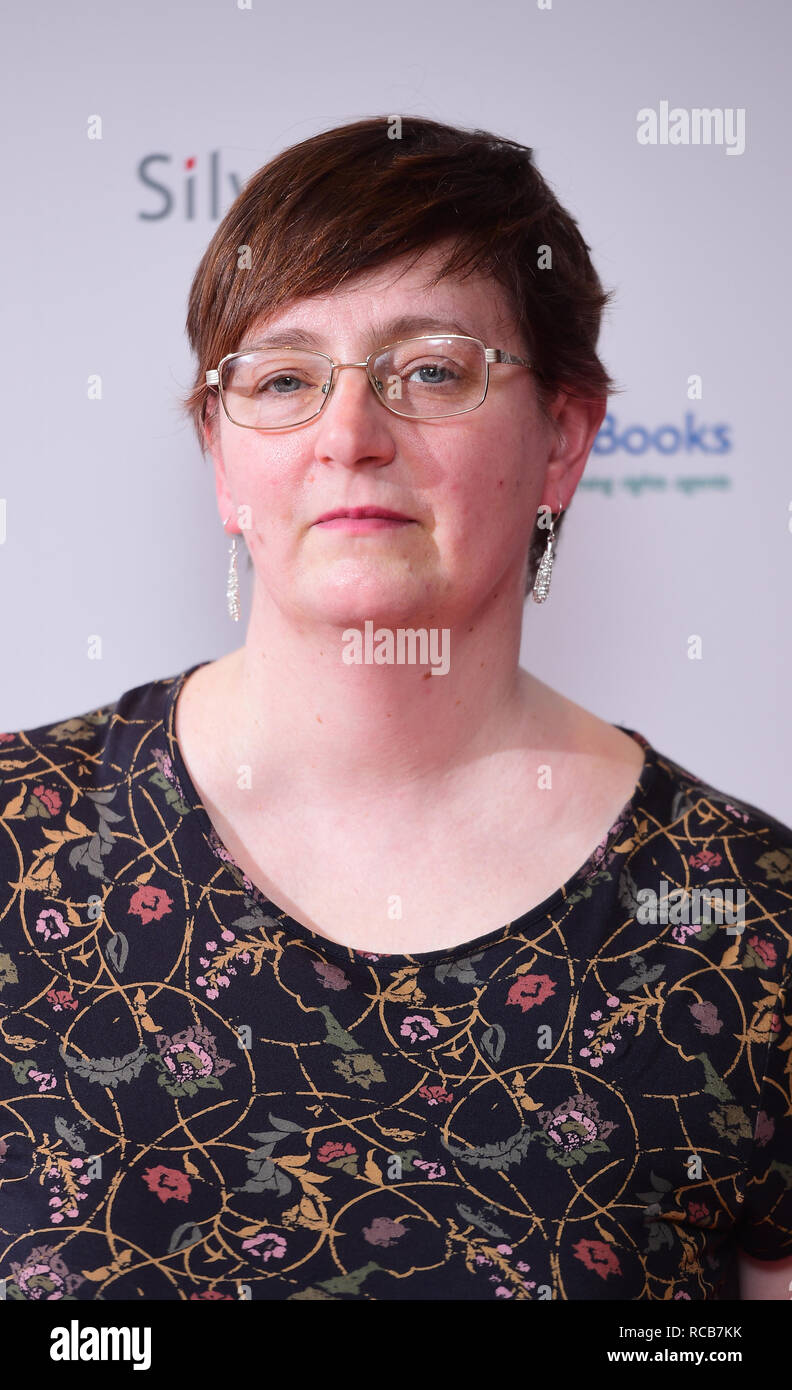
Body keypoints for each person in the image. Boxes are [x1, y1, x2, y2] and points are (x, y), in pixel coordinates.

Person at [1, 115, 790, 1303]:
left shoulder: (749, 921)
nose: (351, 436)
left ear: (563, 438)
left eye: (431, 370)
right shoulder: (19, 842)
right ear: (222, 459)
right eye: (283, 380)